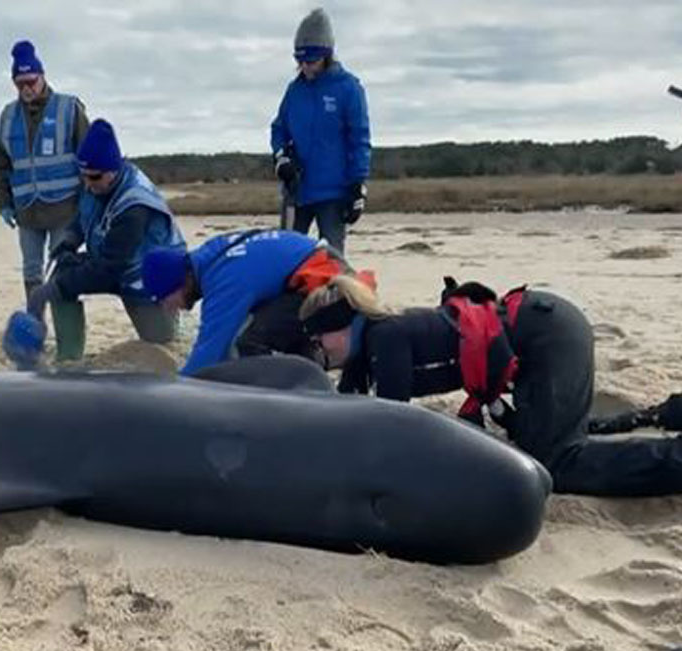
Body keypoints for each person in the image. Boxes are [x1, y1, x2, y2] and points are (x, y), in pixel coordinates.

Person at [297, 275, 682, 496]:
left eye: (319, 339)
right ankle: (665, 415)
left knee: (556, 463)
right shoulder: (372, 349)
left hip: (546, 335)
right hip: (540, 332)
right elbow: (349, 409)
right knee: (539, 438)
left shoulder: (386, 336)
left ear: (342, 327)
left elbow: (392, 421)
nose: (319, 349)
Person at [22, 119, 186, 360]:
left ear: (113, 170)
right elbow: (82, 218)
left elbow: (110, 270)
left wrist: (53, 289)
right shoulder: (95, 182)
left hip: (147, 275)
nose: (88, 184)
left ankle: (169, 320)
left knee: (160, 341)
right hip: (112, 260)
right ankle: (68, 358)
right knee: (62, 273)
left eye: (94, 177)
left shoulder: (134, 207)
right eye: (83, 177)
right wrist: (68, 242)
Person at [140, 230, 371, 376]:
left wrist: (178, 389)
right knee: (255, 331)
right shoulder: (211, 258)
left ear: (179, 282)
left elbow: (210, 349)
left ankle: (281, 402)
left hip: (329, 286)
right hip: (326, 273)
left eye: (165, 299)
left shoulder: (224, 279)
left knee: (248, 343)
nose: (168, 308)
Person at [0, 40, 90, 312]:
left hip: (65, 208)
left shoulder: (69, 108)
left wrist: (89, 203)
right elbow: (3, 165)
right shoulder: (7, 116)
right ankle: (34, 323)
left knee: (61, 268)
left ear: (42, 76)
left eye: (31, 82)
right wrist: (4, 202)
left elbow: (88, 158)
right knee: (31, 271)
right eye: (19, 84)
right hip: (27, 211)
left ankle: (65, 327)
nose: (26, 89)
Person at [270, 8, 370, 254]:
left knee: (332, 260)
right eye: (300, 61)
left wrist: (357, 185)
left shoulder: (348, 88)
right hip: (296, 192)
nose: (305, 67)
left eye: (311, 61)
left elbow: (359, 139)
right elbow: (279, 129)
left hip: (333, 194)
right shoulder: (295, 90)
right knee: (285, 256)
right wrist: (281, 158)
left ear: (326, 56)